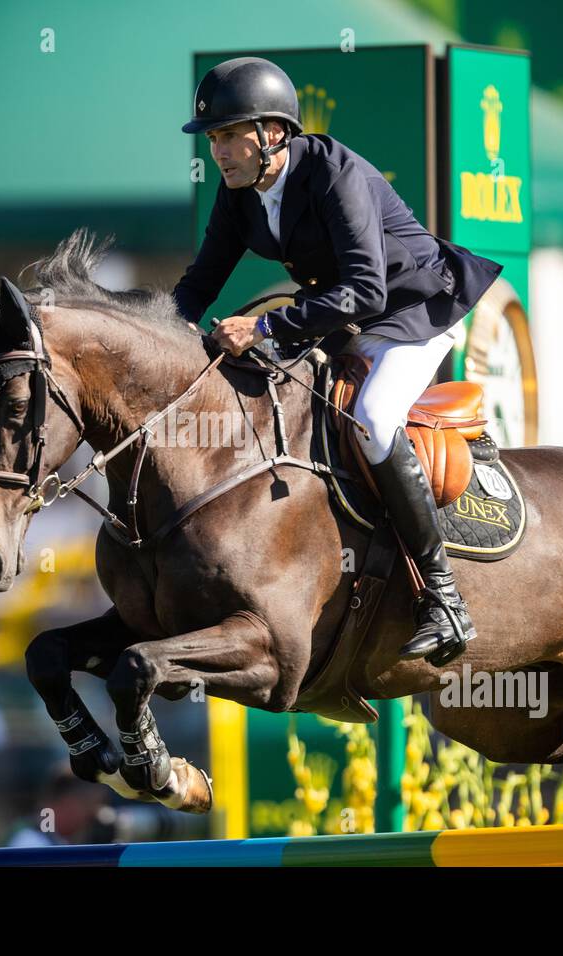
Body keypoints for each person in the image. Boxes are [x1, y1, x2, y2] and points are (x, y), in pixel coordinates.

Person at [172, 57, 502, 665]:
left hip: (411, 310)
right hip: (340, 316)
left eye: (226, 135)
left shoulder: (334, 174)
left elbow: (367, 290)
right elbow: (201, 281)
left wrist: (267, 325)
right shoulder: (239, 189)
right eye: (213, 138)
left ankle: (445, 597)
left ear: (271, 134)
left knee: (373, 418)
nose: (217, 151)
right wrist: (161, 335)